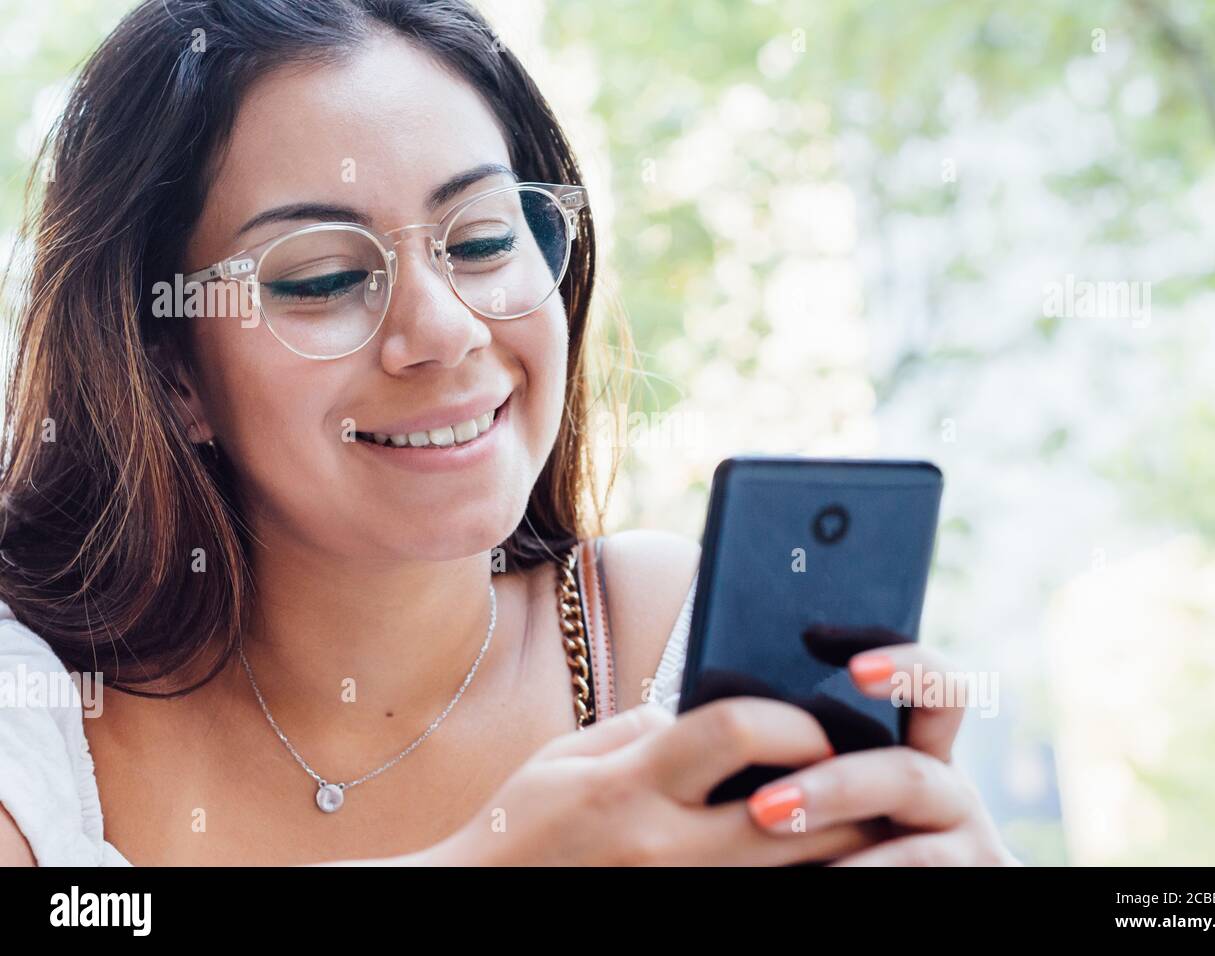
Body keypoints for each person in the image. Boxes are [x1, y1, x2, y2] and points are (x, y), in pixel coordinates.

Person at [0, 0, 1015, 867]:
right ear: (174, 373)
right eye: (320, 277)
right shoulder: (37, 702)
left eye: (483, 238)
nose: (443, 329)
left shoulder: (667, 647)